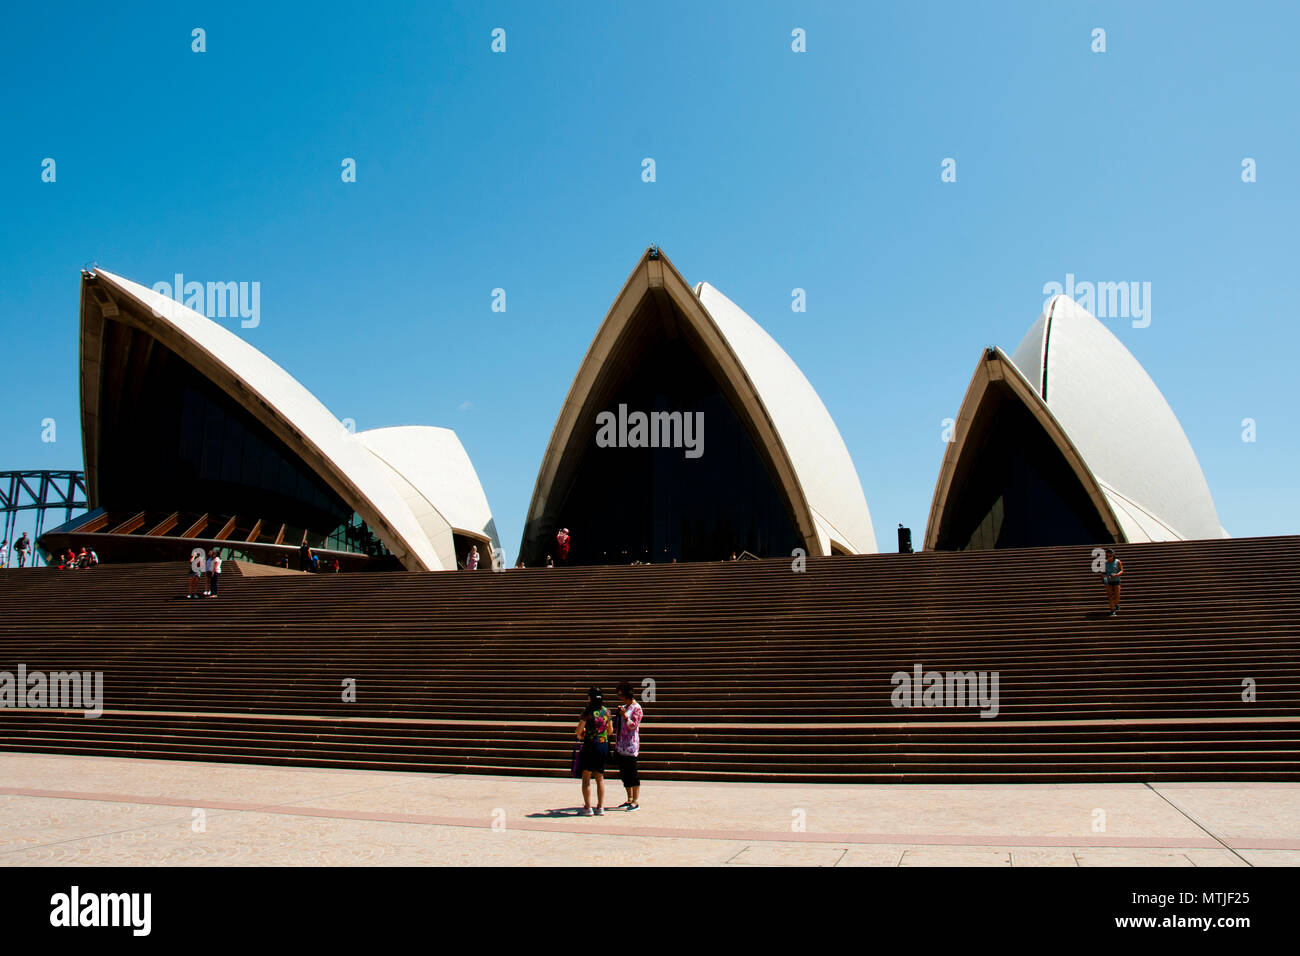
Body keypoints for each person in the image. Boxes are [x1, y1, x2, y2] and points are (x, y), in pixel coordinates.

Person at [574, 687, 613, 816]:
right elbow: (610, 731)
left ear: (590, 697)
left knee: (586, 778)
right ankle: (600, 807)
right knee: (600, 778)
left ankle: (588, 807)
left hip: (590, 745)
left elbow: (579, 731)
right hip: (603, 745)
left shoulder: (587, 712)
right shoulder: (607, 712)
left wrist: (583, 733)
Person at [613, 681, 643, 811]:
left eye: (620, 694)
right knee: (624, 773)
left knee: (632, 773)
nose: (619, 697)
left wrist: (624, 716)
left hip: (631, 745)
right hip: (621, 744)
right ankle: (629, 798)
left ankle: (636, 801)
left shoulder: (637, 708)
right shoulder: (625, 707)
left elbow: (633, 725)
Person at [1102, 548, 1124, 616]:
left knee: (1117, 596)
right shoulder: (1105, 563)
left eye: (1110, 556)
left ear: (1113, 555)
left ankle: (1116, 604)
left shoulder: (1117, 562)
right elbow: (1103, 573)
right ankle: (1112, 610)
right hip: (1108, 581)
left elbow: (1121, 570)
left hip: (1116, 580)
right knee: (1110, 596)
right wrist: (1105, 580)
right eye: (1107, 556)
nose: (1108, 557)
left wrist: (1117, 574)